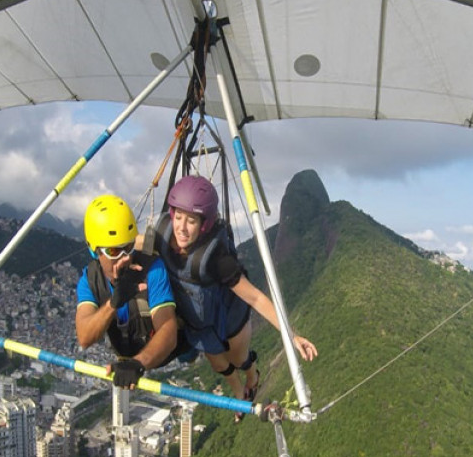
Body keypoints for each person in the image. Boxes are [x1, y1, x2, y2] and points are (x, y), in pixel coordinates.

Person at [155, 175, 317, 421]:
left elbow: (255, 298)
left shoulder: (218, 259)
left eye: (191, 221)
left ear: (204, 224)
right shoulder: (163, 234)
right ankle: (239, 393)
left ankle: (253, 376)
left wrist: (291, 336)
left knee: (238, 359)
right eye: (178, 217)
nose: (182, 228)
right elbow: (136, 244)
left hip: (230, 315)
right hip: (200, 319)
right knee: (219, 365)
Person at [76, 194, 180, 390]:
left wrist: (138, 363)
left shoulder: (152, 269)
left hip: (158, 356)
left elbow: (168, 330)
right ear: (94, 250)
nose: (125, 258)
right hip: (127, 354)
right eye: (114, 252)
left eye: (129, 247)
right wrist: (114, 302)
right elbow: (84, 337)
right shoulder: (90, 279)